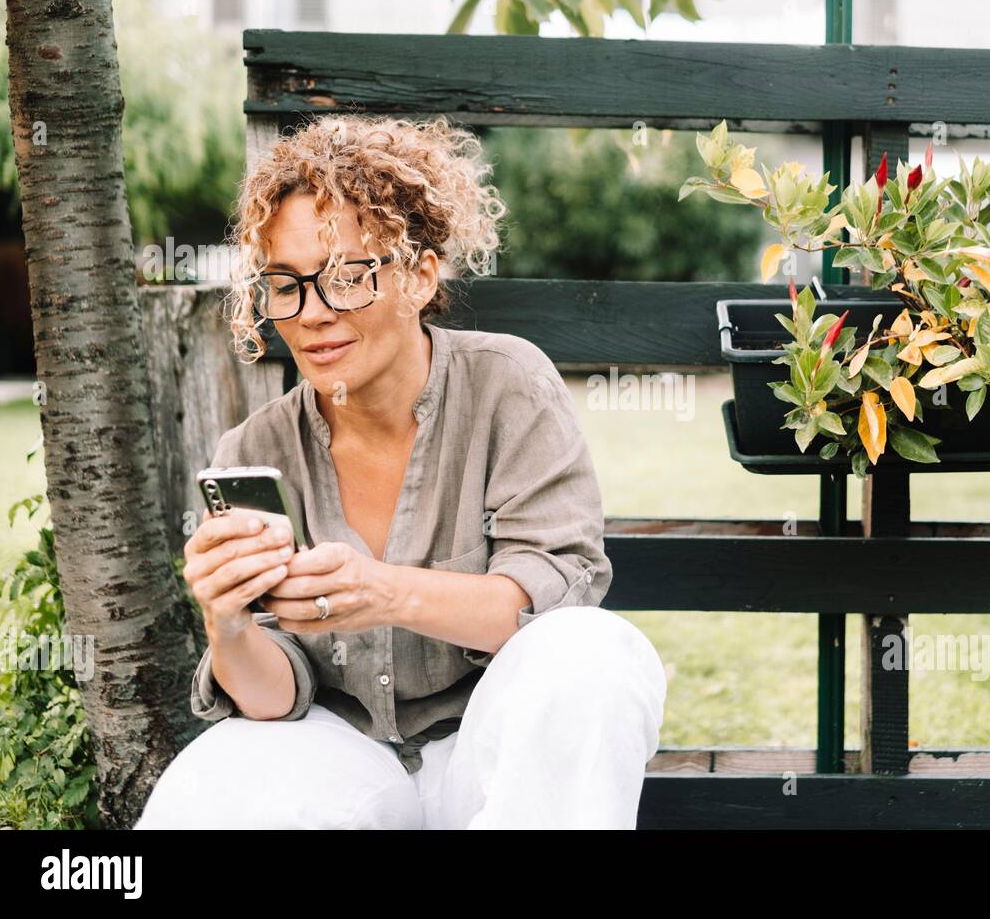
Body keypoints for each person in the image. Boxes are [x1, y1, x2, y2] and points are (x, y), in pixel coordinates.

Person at [134, 115, 666, 829]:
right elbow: (270, 699)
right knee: (209, 785)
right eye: (286, 285)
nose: (312, 314)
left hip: (493, 755)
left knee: (597, 653)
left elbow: (551, 604)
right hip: (343, 761)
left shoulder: (508, 388)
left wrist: (383, 593)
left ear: (418, 276)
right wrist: (226, 622)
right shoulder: (254, 450)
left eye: (346, 278)